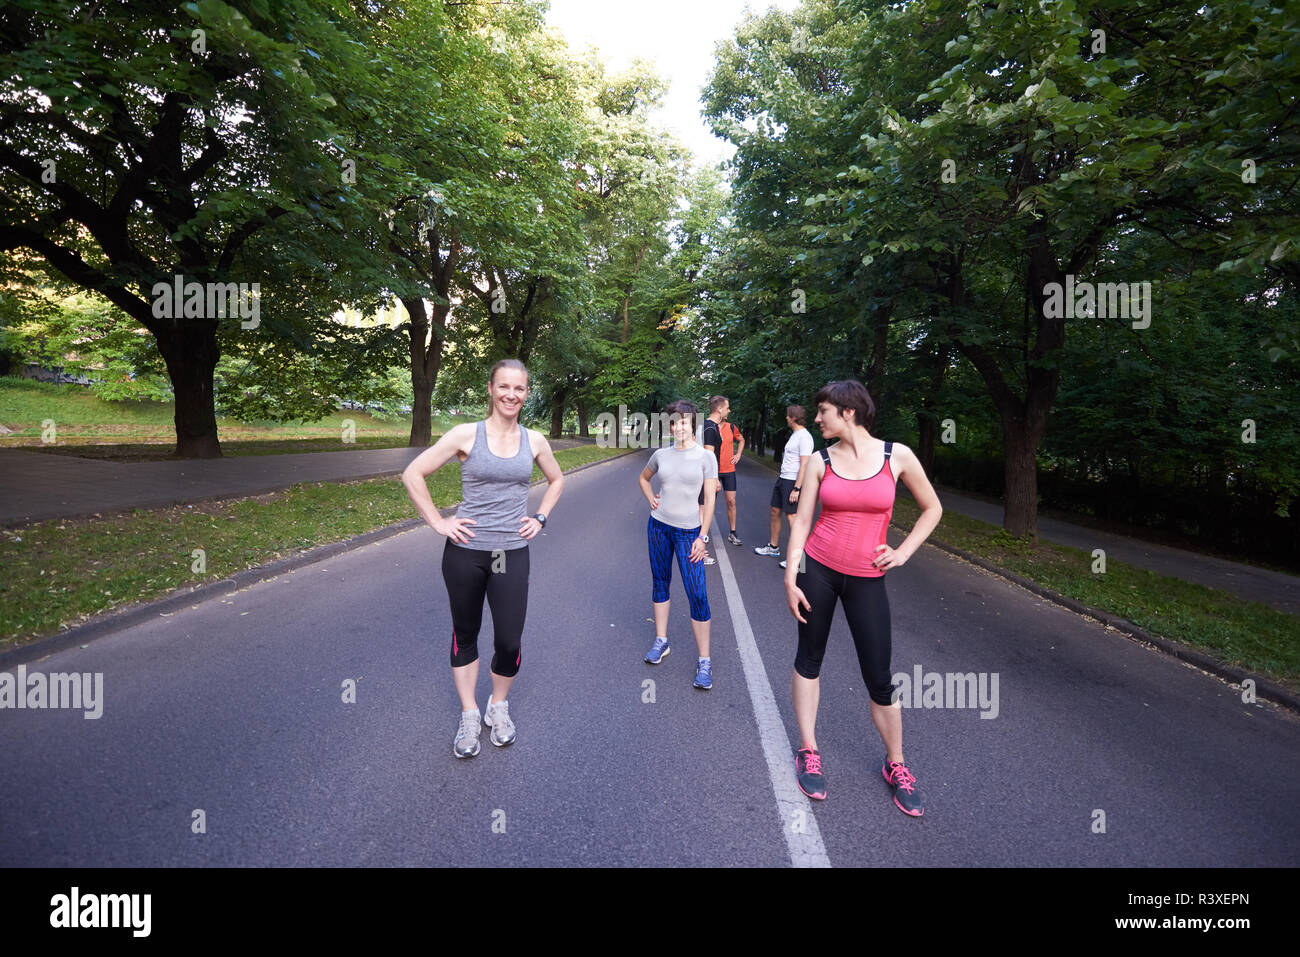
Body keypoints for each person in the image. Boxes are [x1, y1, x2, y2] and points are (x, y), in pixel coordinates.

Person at [783, 379, 942, 815]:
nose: (818, 419)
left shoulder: (898, 456)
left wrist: (903, 552)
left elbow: (933, 508)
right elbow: (801, 522)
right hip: (818, 570)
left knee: (879, 675)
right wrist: (792, 574)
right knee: (808, 658)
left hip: (867, 579)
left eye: (824, 412)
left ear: (848, 412)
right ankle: (809, 749)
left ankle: (897, 764)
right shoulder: (819, 461)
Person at [401, 359, 565, 758]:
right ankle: (470, 713)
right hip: (466, 552)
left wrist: (540, 517)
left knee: (509, 640)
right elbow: (412, 473)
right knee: (466, 632)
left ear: (527, 394)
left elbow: (558, 479)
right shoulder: (465, 434)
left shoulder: (535, 440)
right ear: (491, 389)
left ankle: (499, 705)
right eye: (504, 387)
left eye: (519, 389)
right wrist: (439, 522)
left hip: (510, 550)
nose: (511, 394)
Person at [639, 400, 719, 689]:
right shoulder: (661, 454)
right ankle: (661, 641)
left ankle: (704, 660)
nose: (679, 426)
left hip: (689, 533)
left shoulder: (705, 458)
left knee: (697, 594)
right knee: (660, 582)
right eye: (674, 422)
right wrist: (650, 496)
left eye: (684, 421)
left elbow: (710, 499)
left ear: (693, 423)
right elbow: (644, 478)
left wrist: (703, 536)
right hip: (658, 527)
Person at [754, 405, 813, 565]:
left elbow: (805, 465)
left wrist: (797, 488)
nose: (786, 418)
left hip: (793, 481)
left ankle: (799, 559)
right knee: (775, 511)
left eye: (788, 416)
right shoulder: (795, 435)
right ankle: (773, 547)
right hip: (783, 478)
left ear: (794, 417)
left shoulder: (805, 437)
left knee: (792, 517)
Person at [702, 396, 744, 545]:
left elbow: (742, 440)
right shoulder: (710, 427)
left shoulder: (731, 427)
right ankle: (702, 534)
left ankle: (732, 533)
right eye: (727, 408)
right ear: (720, 409)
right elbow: (708, 453)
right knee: (707, 502)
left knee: (731, 501)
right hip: (714, 472)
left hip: (728, 470)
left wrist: (738, 454)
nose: (730, 410)